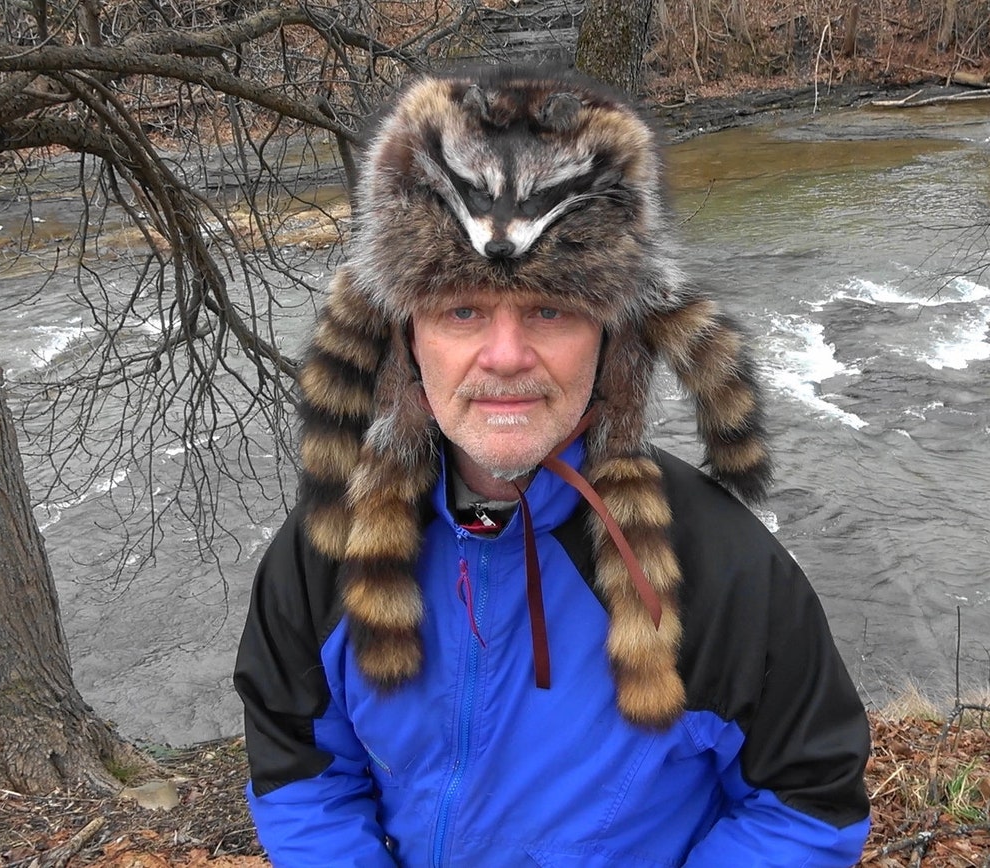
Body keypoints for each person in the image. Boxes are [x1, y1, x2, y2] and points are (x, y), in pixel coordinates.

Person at [234, 64, 870, 867]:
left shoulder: (721, 565)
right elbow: (298, 766)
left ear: (610, 343)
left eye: (552, 310)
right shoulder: (329, 544)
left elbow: (811, 804)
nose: (505, 357)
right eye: (461, 310)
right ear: (405, 338)